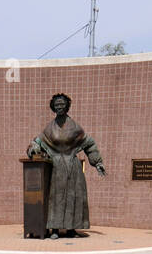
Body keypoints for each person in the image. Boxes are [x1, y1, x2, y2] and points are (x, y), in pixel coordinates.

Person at [26, 93, 105, 238]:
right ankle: (55, 229)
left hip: (73, 167)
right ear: (53, 107)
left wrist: (97, 162)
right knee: (56, 198)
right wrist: (33, 148)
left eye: (62, 104)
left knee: (73, 197)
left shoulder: (75, 127)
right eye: (57, 105)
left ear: (67, 106)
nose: (59, 107)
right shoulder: (50, 128)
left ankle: (71, 229)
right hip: (56, 167)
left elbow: (89, 144)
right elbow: (37, 142)